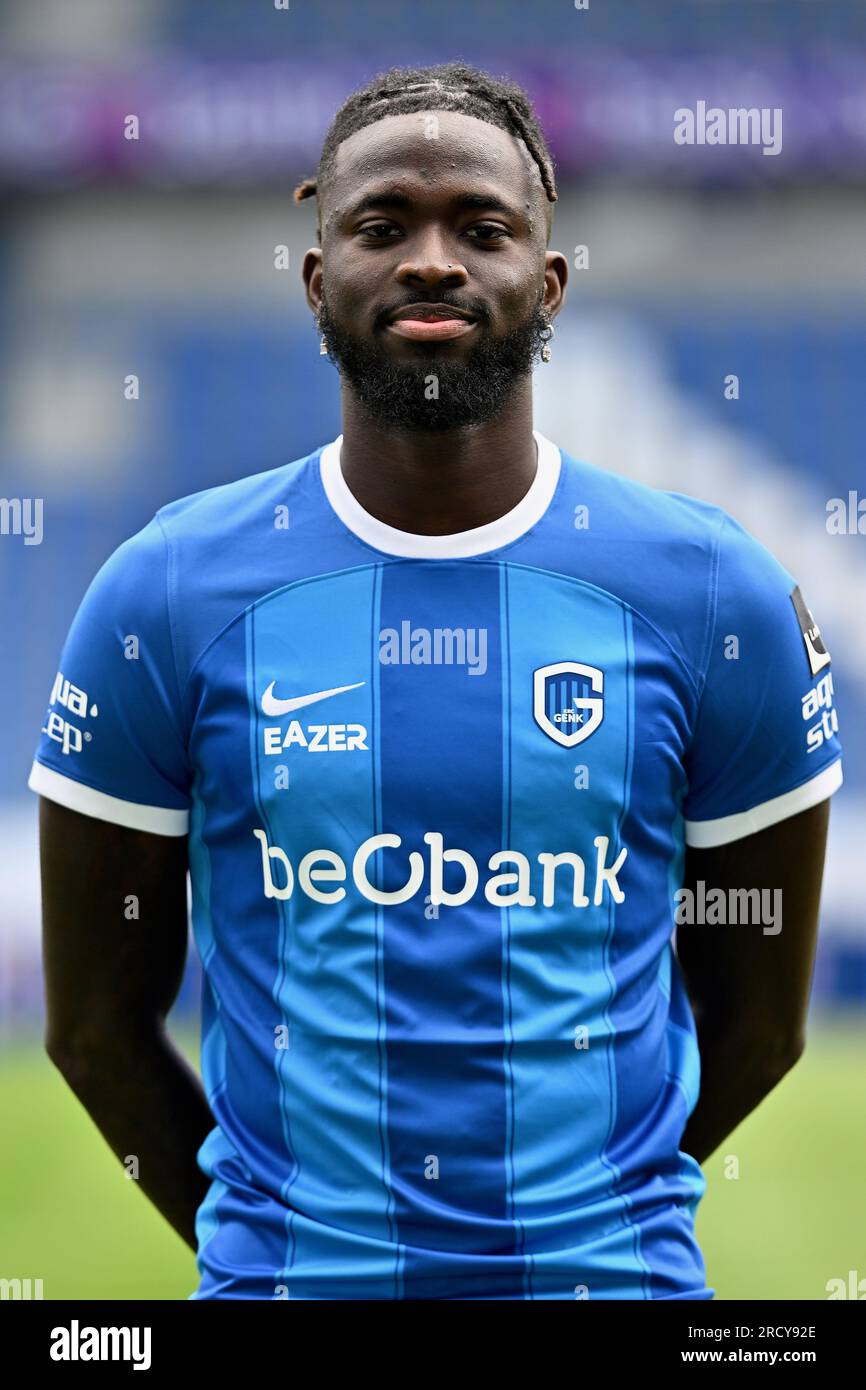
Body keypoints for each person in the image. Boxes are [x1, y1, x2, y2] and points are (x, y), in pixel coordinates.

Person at [29, 62, 842, 1301]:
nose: (429, 261)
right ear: (316, 284)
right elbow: (92, 1025)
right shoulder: (168, 594)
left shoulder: (710, 593)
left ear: (548, 284)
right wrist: (272, 1253)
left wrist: (585, 1223)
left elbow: (760, 1025)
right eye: (380, 226)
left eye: (480, 227)